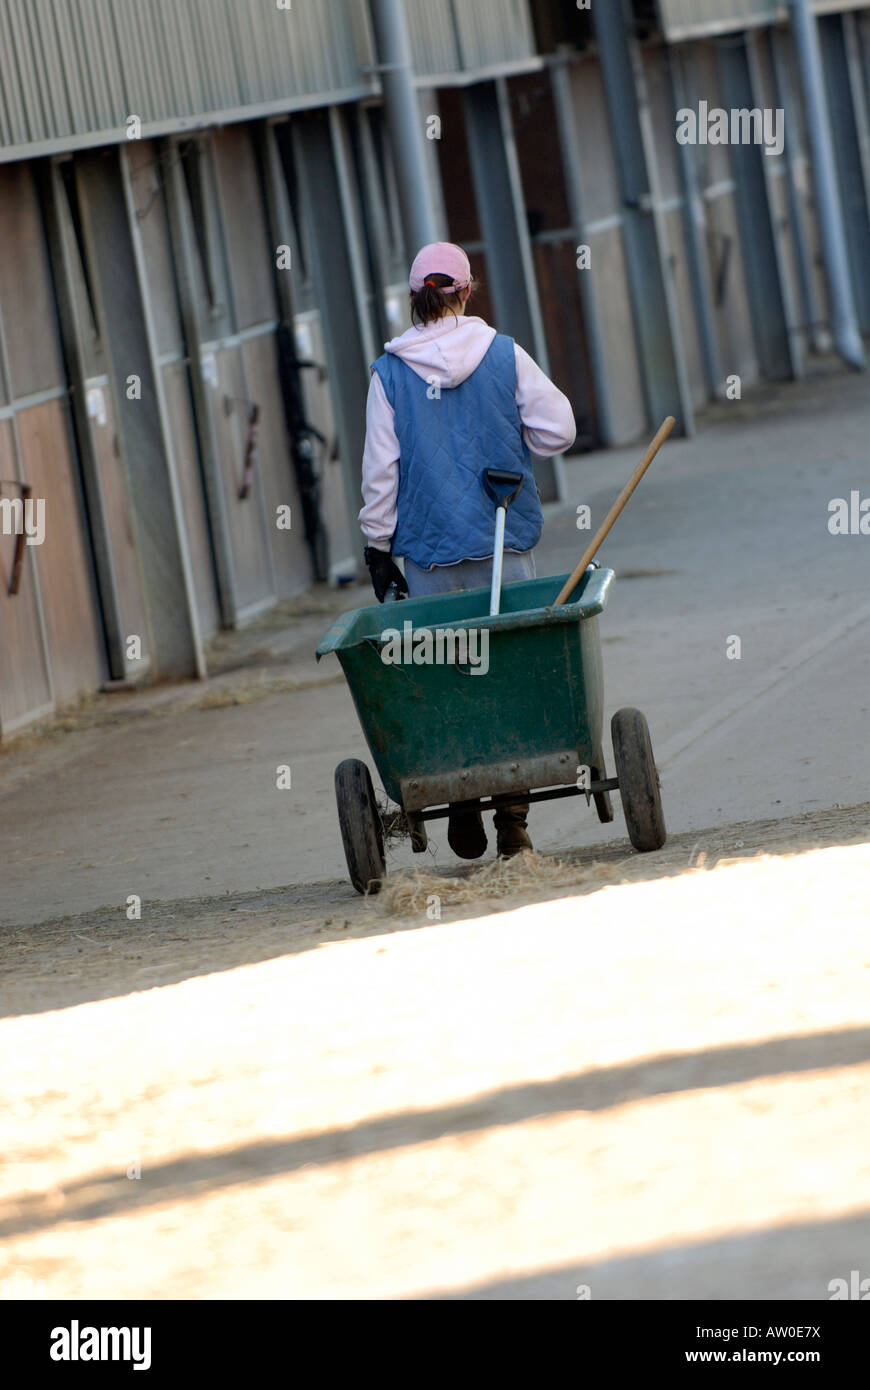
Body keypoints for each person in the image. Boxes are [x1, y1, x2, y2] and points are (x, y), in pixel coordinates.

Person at [359, 242, 576, 859]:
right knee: (507, 672)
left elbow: (381, 470)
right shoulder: (504, 354)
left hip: (428, 554)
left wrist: (379, 546)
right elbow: (558, 430)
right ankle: (513, 820)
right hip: (502, 539)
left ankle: (459, 799)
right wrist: (510, 433)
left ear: (414, 299)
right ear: (467, 290)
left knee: (448, 674)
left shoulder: (390, 373)